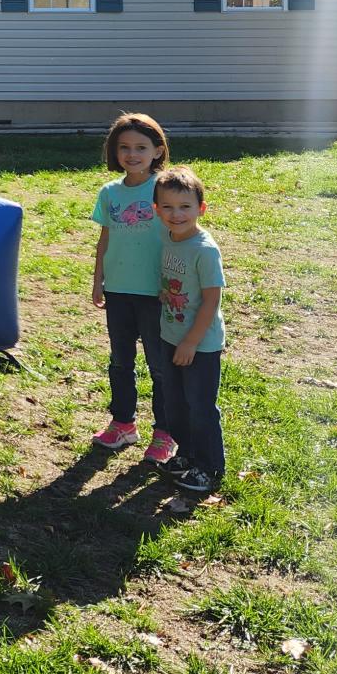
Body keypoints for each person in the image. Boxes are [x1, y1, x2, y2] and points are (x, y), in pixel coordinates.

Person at [89, 112, 176, 465]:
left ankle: (166, 432)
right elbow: (105, 237)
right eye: (124, 147)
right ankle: (123, 423)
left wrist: (174, 283)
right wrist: (98, 279)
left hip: (156, 294)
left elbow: (181, 236)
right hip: (119, 291)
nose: (132, 154)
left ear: (157, 150)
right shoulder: (109, 193)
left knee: (160, 366)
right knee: (120, 362)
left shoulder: (165, 188)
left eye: (141, 147)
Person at [153, 165, 226, 495]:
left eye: (185, 207)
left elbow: (211, 300)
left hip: (199, 344)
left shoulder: (205, 250)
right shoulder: (168, 237)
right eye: (167, 207)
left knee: (200, 406)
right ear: (156, 210)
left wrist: (192, 342)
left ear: (201, 208)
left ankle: (209, 467)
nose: (176, 214)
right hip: (171, 337)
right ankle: (187, 455)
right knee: (175, 404)